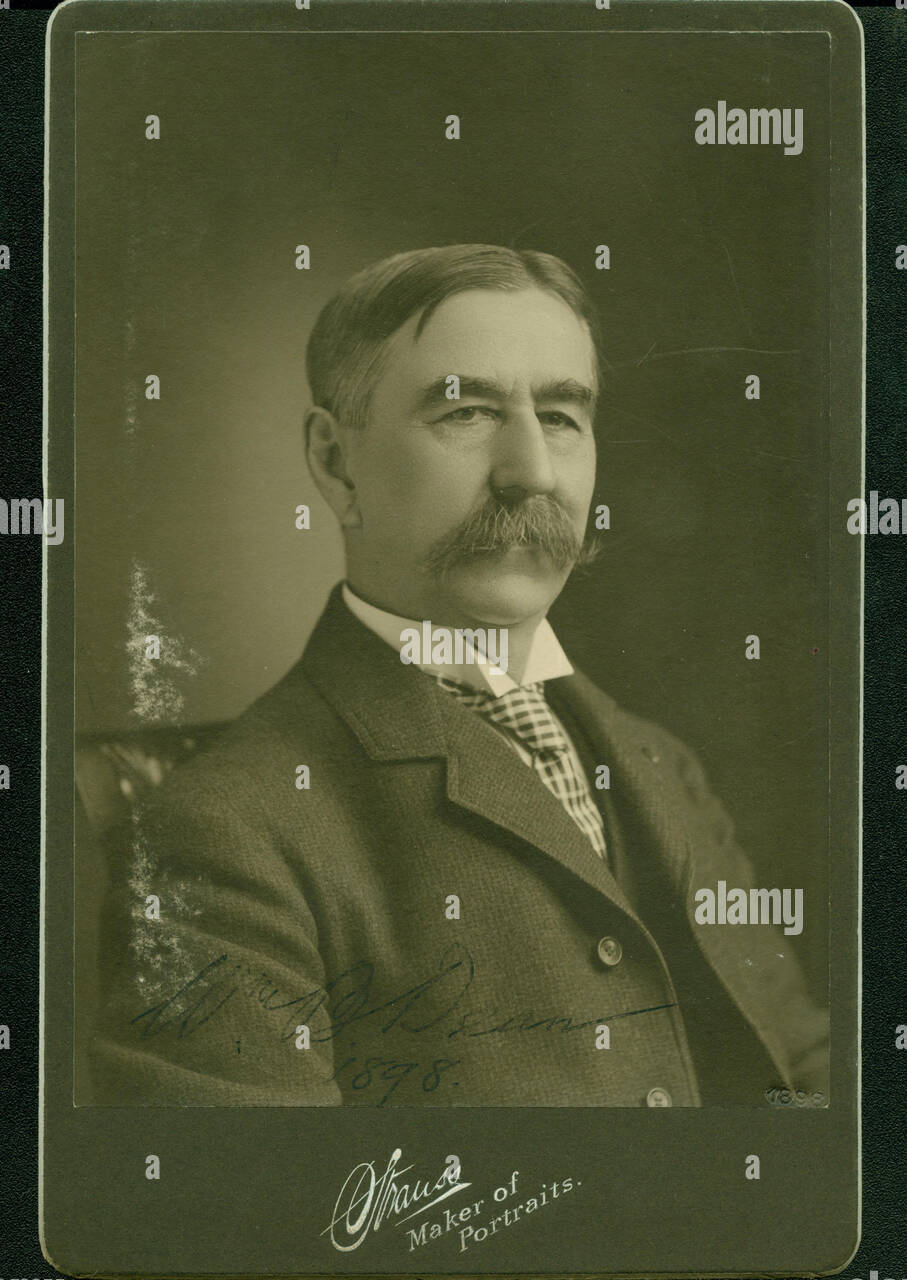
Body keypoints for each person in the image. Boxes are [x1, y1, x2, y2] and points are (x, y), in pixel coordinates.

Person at [90, 244, 828, 1107]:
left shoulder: (663, 767)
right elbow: (257, 1221)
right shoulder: (223, 833)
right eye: (466, 412)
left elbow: (810, 1086)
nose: (531, 472)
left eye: (560, 416)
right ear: (335, 464)